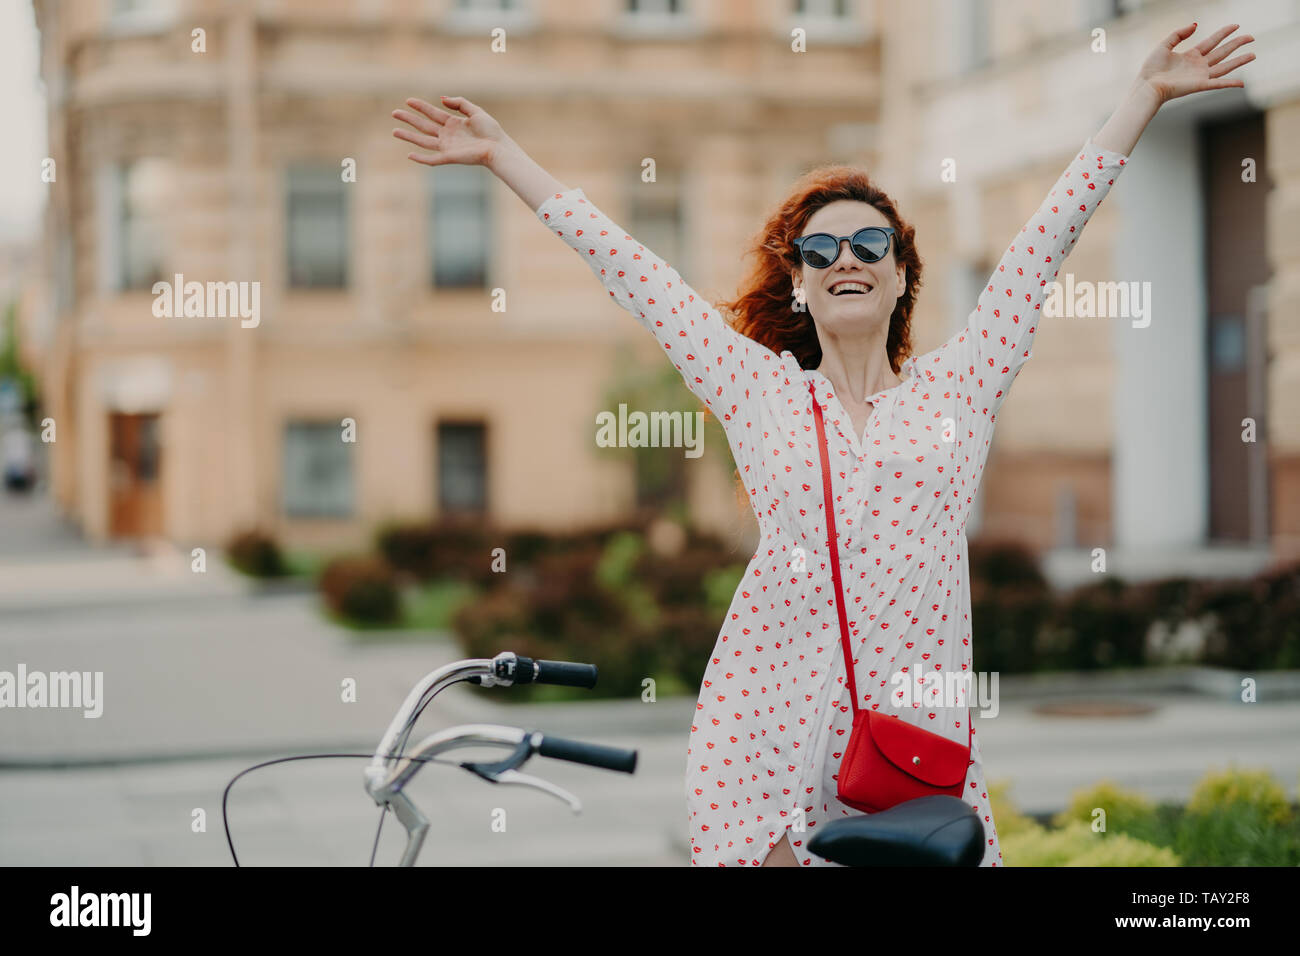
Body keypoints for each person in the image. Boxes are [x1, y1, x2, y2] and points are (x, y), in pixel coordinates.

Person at [392, 21, 1255, 867]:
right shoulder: (758, 391)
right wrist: (507, 158)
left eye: (871, 242)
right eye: (823, 247)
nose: (849, 256)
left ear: (902, 274)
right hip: (770, 742)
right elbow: (636, 274)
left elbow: (1040, 248)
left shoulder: (961, 384)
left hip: (915, 746)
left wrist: (1141, 97)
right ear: (801, 284)